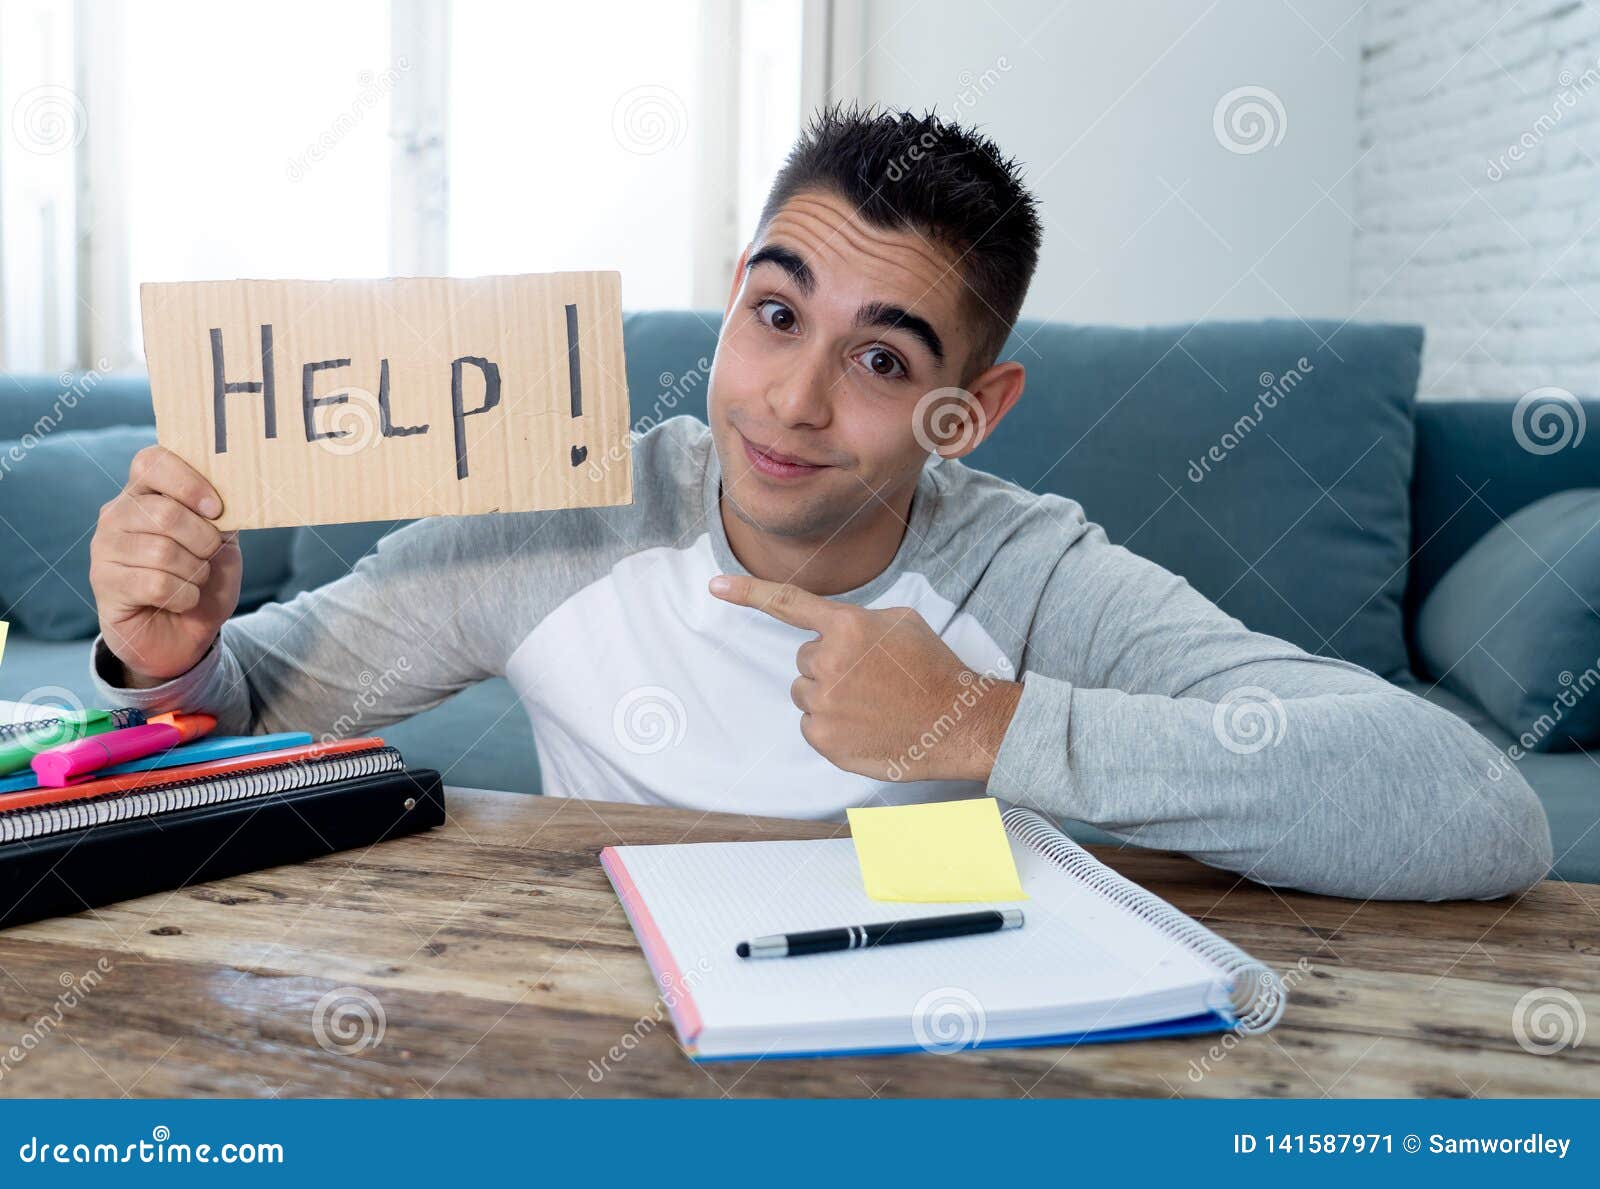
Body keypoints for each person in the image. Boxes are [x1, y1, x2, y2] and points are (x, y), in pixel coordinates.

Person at [88, 105, 1552, 901]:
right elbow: (250, 711)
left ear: (971, 411)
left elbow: (1475, 813)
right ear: (731, 300)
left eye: (881, 356)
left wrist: (982, 723)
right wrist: (172, 655)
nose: (790, 403)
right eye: (777, 314)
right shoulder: (565, 509)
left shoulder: (1029, 571)